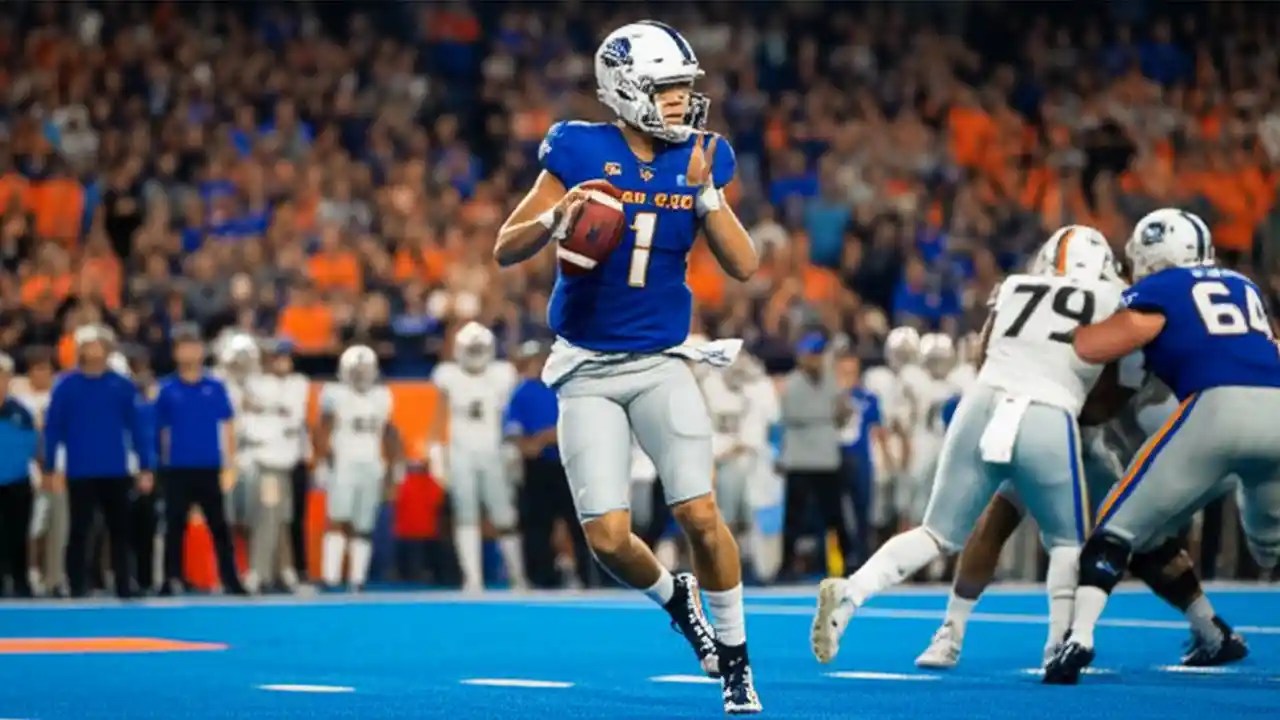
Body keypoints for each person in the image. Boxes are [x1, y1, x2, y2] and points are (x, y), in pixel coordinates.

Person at [492, 20, 762, 713]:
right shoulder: (578, 148)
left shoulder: (704, 156)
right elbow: (505, 246)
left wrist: (706, 197)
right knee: (609, 539)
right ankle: (677, 600)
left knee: (699, 512)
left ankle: (736, 661)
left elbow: (744, 264)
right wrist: (555, 220)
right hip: (586, 368)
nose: (681, 101)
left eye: (683, 88)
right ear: (626, 88)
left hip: (660, 362)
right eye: (667, 89)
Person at [810, 225, 1125, 668]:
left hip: (982, 403)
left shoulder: (1015, 286)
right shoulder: (1113, 297)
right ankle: (1057, 645)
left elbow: (983, 351)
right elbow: (1121, 377)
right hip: (1047, 410)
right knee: (1066, 543)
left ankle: (852, 592)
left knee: (934, 533)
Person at [1046, 209, 1280, 684]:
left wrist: (1064, 337)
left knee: (1116, 526)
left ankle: (1079, 637)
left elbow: (1095, 347)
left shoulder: (1162, 289)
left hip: (1217, 411)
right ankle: (1212, 633)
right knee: (1268, 549)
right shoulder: (1244, 286)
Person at [916, 375, 1247, 670]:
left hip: (1079, 436)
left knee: (1129, 535)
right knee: (1004, 520)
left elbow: (1116, 386)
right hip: (1054, 430)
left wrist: (1071, 406)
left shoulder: (1108, 332)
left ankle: (1204, 627)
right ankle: (954, 631)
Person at [44, 324, 154, 599]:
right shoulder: (66, 386)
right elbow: (53, 428)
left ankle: (124, 583)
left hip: (115, 468)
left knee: (120, 529)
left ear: (108, 349)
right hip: (80, 469)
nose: (93, 351)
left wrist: (145, 466)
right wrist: (50, 466)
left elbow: (137, 428)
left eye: (99, 345)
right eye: (88, 346)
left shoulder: (122, 386)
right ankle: (76, 583)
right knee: (79, 529)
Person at [428, 322, 525, 593]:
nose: (474, 353)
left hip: (494, 452)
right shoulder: (448, 375)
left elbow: (511, 414)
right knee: (466, 516)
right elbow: (439, 417)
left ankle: (517, 576)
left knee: (505, 516)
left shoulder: (502, 374)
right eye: (470, 348)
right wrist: (436, 453)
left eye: (478, 348)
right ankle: (472, 579)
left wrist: (512, 448)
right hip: (461, 453)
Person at [154, 324, 245, 596]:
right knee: (174, 526)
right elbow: (160, 430)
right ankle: (171, 578)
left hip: (209, 465)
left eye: (193, 346)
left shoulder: (215, 387)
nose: (189, 352)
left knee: (219, 526)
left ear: (202, 351)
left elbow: (227, 425)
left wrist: (230, 464)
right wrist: (160, 465)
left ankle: (230, 579)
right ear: (175, 352)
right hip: (177, 467)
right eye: (183, 347)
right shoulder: (167, 389)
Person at [504, 340, 593, 589]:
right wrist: (533, 443)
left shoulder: (566, 388)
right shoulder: (522, 392)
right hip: (539, 467)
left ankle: (588, 574)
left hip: (568, 462)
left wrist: (546, 438)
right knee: (536, 524)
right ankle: (541, 577)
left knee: (578, 521)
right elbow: (514, 431)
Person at [316, 345, 398, 592]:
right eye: (356, 370)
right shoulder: (334, 394)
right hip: (343, 463)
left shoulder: (382, 396)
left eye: (365, 370)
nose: (361, 375)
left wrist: (393, 469)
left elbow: (388, 434)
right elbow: (323, 430)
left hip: (371, 464)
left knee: (363, 525)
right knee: (337, 519)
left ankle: (357, 578)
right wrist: (321, 461)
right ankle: (330, 577)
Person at [779, 333, 853, 578]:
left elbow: (843, 416)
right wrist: (829, 413)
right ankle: (787, 565)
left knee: (835, 516)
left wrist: (840, 408)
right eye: (811, 355)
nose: (816, 360)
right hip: (799, 458)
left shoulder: (831, 381)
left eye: (819, 355)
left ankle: (848, 561)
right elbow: (793, 414)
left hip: (826, 458)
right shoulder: (791, 383)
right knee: (794, 518)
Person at [244, 338, 309, 593]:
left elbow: (294, 419)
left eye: (287, 357)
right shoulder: (256, 383)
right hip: (266, 463)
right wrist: (271, 414)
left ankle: (284, 570)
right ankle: (258, 572)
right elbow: (250, 422)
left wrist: (266, 410)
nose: (284, 362)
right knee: (269, 517)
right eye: (279, 357)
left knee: (284, 519)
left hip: (290, 462)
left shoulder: (298, 384)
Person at [835, 353, 888, 570]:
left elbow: (877, 430)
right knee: (837, 512)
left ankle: (863, 558)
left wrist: (886, 459)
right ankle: (841, 559)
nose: (848, 377)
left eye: (852, 372)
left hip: (861, 459)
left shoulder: (868, 398)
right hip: (834, 459)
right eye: (844, 372)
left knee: (862, 511)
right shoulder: (830, 397)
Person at [13, 348, 59, 596]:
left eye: (46, 369)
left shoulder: (58, 396)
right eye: (37, 368)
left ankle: (53, 575)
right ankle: (30, 572)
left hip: (58, 470)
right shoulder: (20, 400)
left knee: (55, 527)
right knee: (31, 527)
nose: (42, 373)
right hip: (27, 471)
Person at [0, 352, 39, 597]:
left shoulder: (21, 412)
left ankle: (20, 582)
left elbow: (34, 446)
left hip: (17, 482)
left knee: (18, 535)